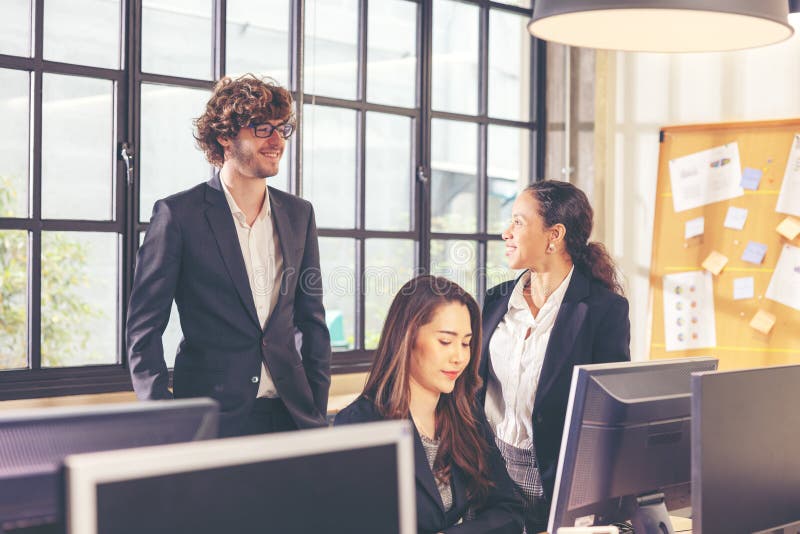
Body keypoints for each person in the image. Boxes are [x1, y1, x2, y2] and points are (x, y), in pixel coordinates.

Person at [126, 74, 331, 437]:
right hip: (213, 420)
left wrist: (315, 400)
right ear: (224, 137)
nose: (276, 140)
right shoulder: (178, 215)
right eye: (262, 129)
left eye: (282, 129)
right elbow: (144, 330)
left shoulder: (300, 214)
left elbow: (310, 319)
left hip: (294, 414)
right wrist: (164, 413)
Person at [480, 180, 631, 533]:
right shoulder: (494, 300)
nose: (506, 232)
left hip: (559, 488)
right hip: (490, 482)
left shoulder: (603, 310)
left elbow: (608, 416)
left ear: (555, 235)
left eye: (518, 221)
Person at [336, 275, 524, 534]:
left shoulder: (465, 411)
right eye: (445, 341)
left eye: (466, 343)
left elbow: (509, 510)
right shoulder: (359, 424)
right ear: (407, 338)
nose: (459, 357)